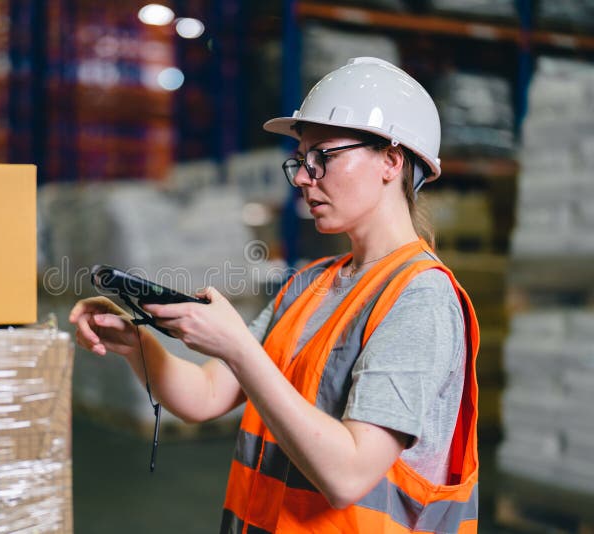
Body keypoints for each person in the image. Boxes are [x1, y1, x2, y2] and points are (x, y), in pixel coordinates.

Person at [70, 57, 480, 533]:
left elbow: (348, 474)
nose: (304, 177)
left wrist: (239, 348)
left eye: (323, 155)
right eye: (300, 160)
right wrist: (136, 344)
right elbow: (205, 396)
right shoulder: (310, 283)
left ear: (391, 159)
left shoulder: (420, 298)